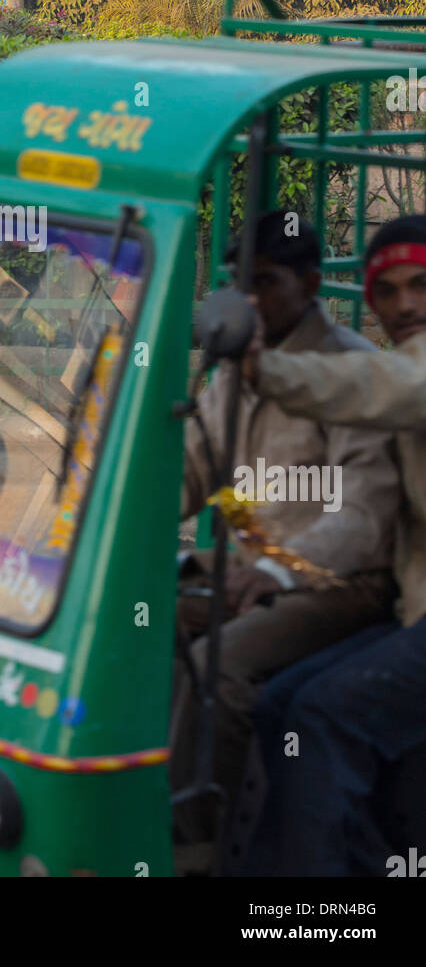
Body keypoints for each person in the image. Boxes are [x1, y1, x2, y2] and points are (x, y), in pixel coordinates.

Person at [171, 212, 401, 861]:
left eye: (265, 284)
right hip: (249, 563)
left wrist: (274, 573)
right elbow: (190, 468)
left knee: (226, 667)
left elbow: (361, 517)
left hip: (336, 583)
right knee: (141, 619)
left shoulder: (353, 372)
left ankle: (197, 848)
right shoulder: (233, 373)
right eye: (238, 286)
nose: (248, 301)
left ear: (309, 283)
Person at [241, 213, 426, 876]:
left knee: (321, 713)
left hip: (378, 598)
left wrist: (269, 371)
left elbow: (380, 386)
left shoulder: (388, 370)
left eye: (421, 285)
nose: (404, 304)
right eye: (389, 290)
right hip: (411, 609)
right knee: (281, 702)